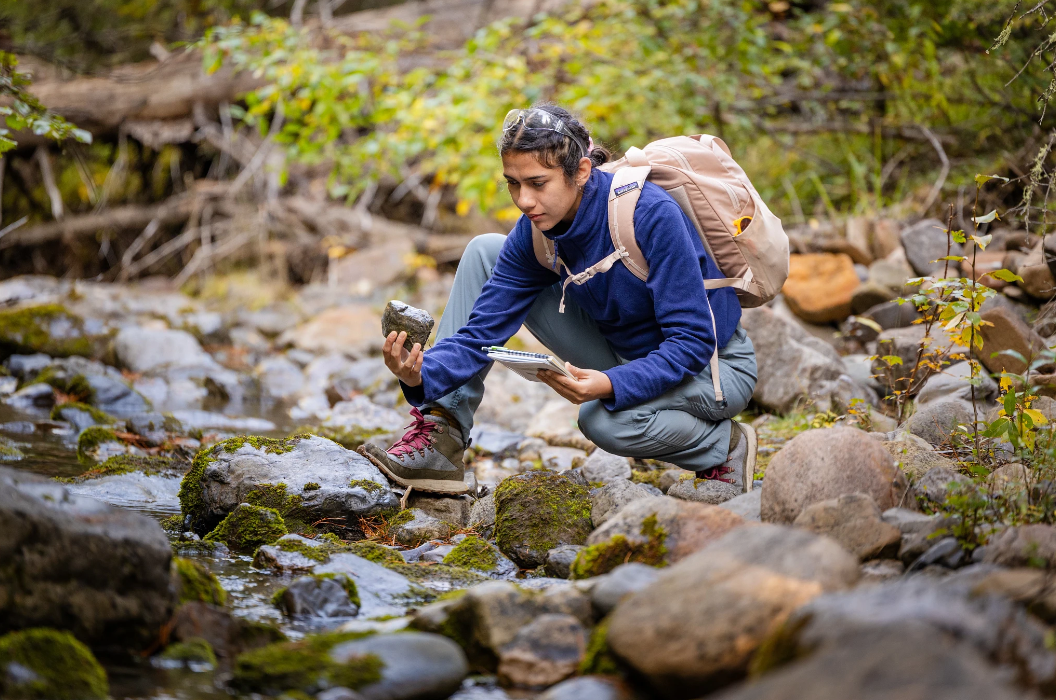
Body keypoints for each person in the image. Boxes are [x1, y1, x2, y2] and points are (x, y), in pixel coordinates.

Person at [360, 104, 758, 496]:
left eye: (537, 183)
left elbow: (691, 342)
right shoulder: (534, 233)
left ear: (581, 171)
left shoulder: (650, 214)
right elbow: (480, 333)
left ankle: (724, 447)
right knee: (486, 250)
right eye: (513, 183)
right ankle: (441, 439)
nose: (523, 200)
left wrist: (609, 384)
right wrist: (421, 374)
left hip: (711, 368)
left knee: (602, 422)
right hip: (624, 351)